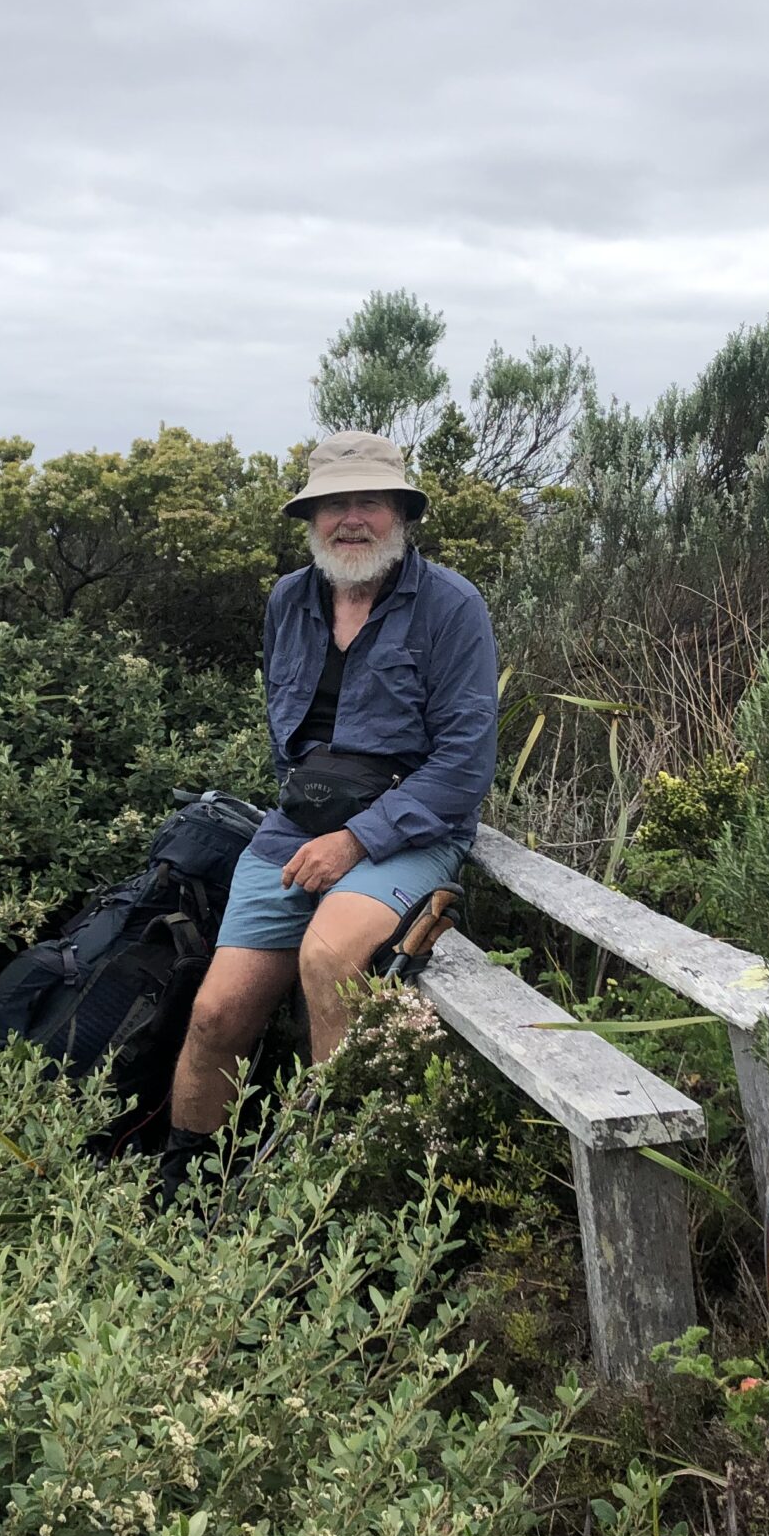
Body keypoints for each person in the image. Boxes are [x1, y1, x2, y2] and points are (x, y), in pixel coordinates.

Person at [160, 428, 499, 1203]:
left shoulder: (450, 606)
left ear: (401, 514)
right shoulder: (291, 599)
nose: (352, 519)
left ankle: (332, 1192)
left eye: (369, 502)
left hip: (410, 830)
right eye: (334, 504)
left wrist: (356, 839)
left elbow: (464, 767)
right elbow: (289, 737)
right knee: (214, 1016)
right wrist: (315, 821)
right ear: (311, 518)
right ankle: (183, 1193)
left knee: (328, 955)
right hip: (297, 830)